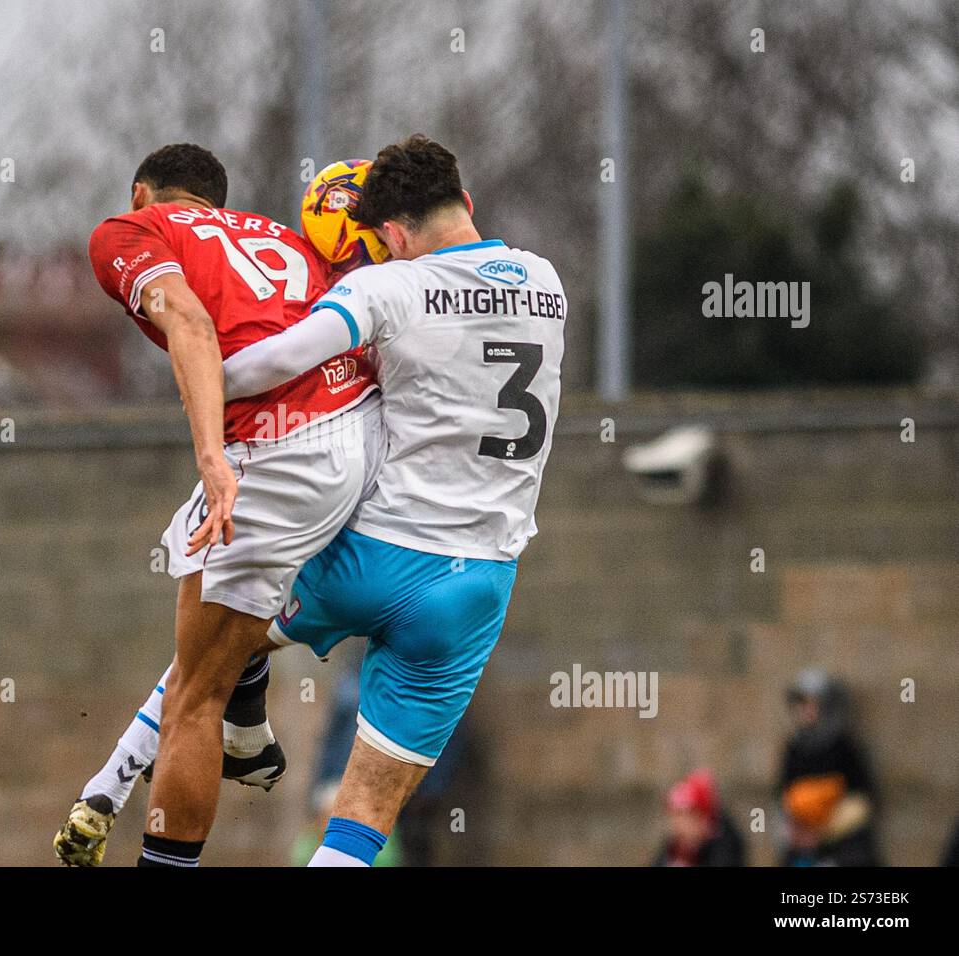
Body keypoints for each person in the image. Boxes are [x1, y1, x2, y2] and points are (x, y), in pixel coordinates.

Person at [214, 133, 567, 865]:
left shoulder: (387, 286)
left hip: (375, 553)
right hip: (475, 584)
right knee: (363, 818)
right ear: (465, 202)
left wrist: (200, 376)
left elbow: (279, 359)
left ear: (393, 234)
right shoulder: (546, 283)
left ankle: (126, 777)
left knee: (212, 649)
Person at [54, 143, 382, 867]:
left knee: (192, 700)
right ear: (221, 205)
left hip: (281, 449)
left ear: (143, 194)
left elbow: (193, 329)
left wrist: (212, 458)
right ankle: (243, 715)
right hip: (367, 432)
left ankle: (229, 724)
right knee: (221, 642)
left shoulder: (132, 231)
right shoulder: (281, 236)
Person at [777, 669, 882, 866]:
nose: (807, 710)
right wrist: (796, 831)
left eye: (813, 703)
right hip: (802, 841)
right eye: (803, 703)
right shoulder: (794, 749)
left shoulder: (844, 748)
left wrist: (824, 830)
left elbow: (863, 801)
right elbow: (783, 795)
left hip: (844, 843)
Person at [651, 769, 746, 866]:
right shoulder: (673, 849)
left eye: (686, 816)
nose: (678, 825)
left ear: (704, 820)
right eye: (675, 816)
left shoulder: (724, 852)